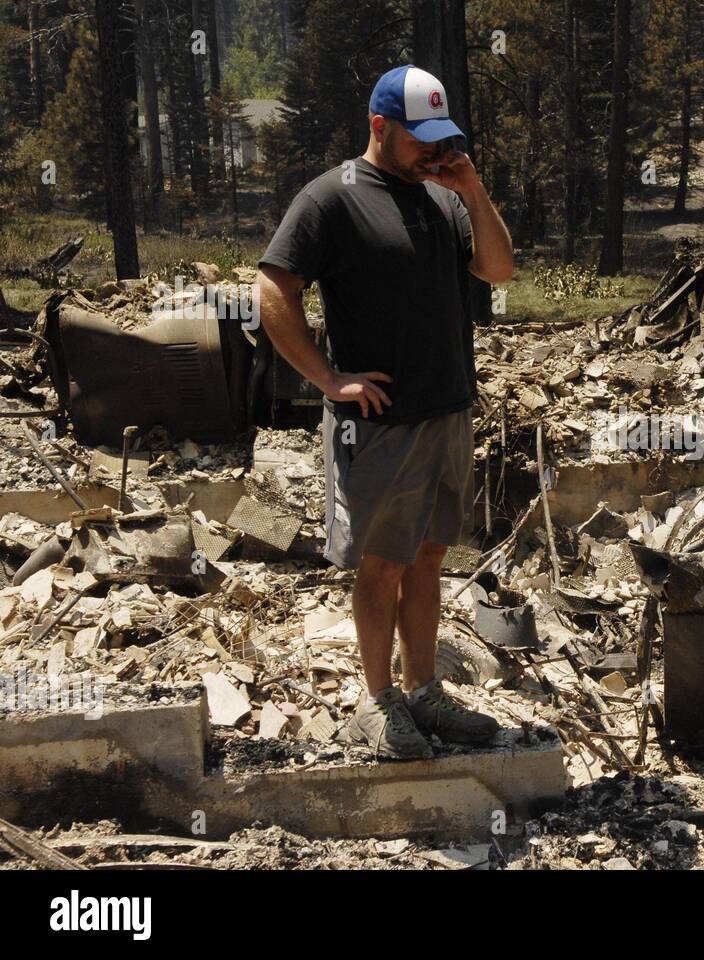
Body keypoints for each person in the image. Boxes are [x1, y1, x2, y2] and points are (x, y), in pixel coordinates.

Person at [256, 65, 514, 759]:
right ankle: (378, 701)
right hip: (379, 424)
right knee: (382, 564)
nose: (434, 151)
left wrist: (472, 189)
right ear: (379, 127)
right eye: (419, 138)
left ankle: (424, 690)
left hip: (447, 409)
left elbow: (498, 270)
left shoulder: (444, 196)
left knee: (429, 556)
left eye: (443, 138)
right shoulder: (330, 200)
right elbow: (272, 290)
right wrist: (327, 378)